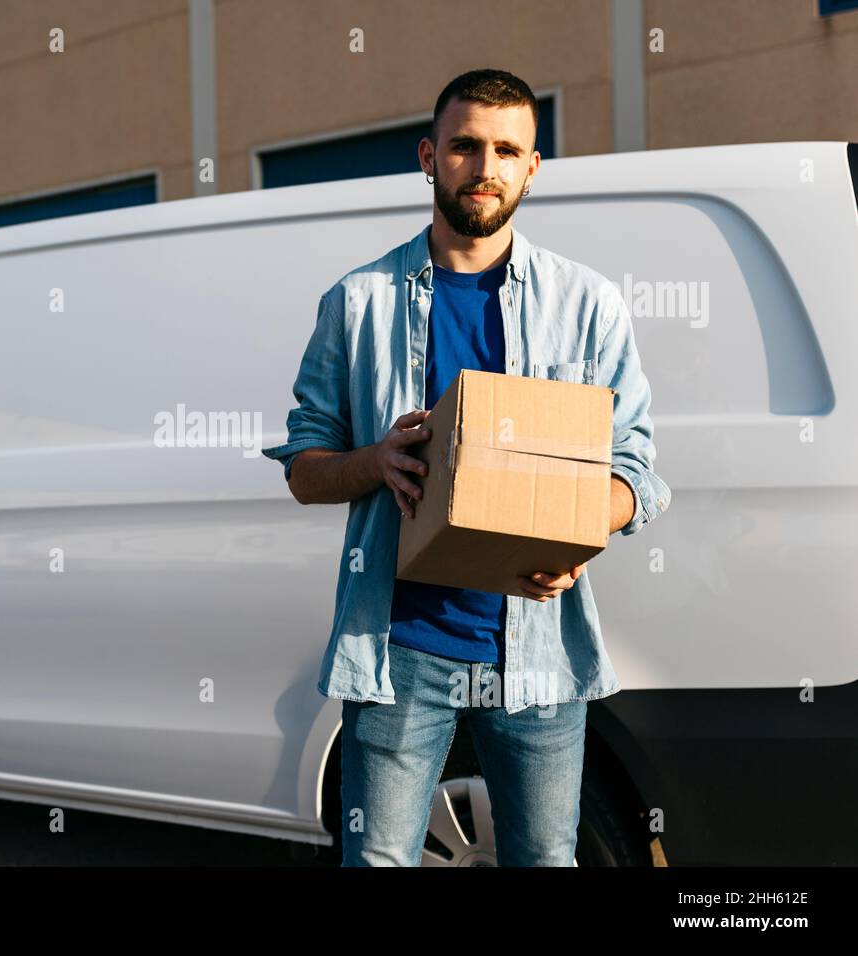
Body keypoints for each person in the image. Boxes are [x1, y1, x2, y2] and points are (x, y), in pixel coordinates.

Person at [261, 68, 671, 866]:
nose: (485, 166)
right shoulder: (358, 302)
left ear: (531, 167)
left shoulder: (587, 305)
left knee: (545, 860)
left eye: (506, 149)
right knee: (376, 859)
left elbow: (637, 470)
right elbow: (304, 468)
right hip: (398, 650)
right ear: (429, 156)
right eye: (465, 146)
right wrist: (374, 462)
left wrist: (581, 530)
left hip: (539, 653)